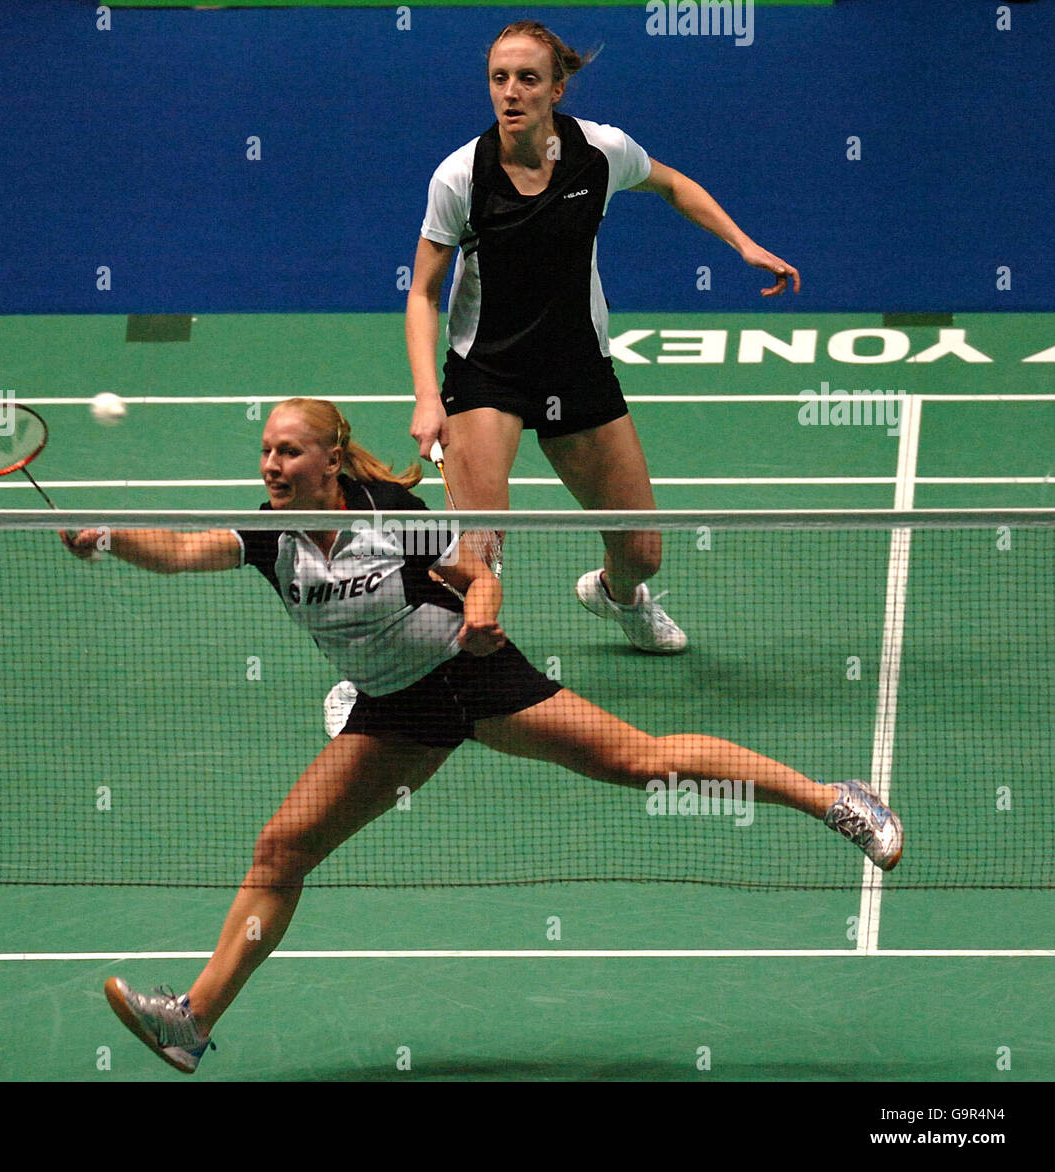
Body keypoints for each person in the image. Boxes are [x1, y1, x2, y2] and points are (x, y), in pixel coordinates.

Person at [65, 398, 899, 1076]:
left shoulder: (388, 513)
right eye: (266, 452)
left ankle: (834, 799)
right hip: (393, 711)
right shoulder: (268, 535)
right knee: (281, 850)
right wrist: (110, 537)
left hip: (470, 676)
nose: (272, 466)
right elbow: (177, 550)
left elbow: (475, 567)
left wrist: (483, 613)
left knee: (640, 762)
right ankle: (193, 1021)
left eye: (288, 452)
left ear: (328, 459)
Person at [406, 20, 801, 654]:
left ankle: (619, 596)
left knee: (643, 550)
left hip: (577, 369)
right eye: (499, 78)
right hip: (487, 374)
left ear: (557, 89)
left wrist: (744, 245)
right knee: (476, 556)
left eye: (528, 79)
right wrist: (429, 397)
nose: (511, 92)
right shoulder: (461, 177)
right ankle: (381, 681)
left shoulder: (600, 152)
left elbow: (672, 183)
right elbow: (423, 293)